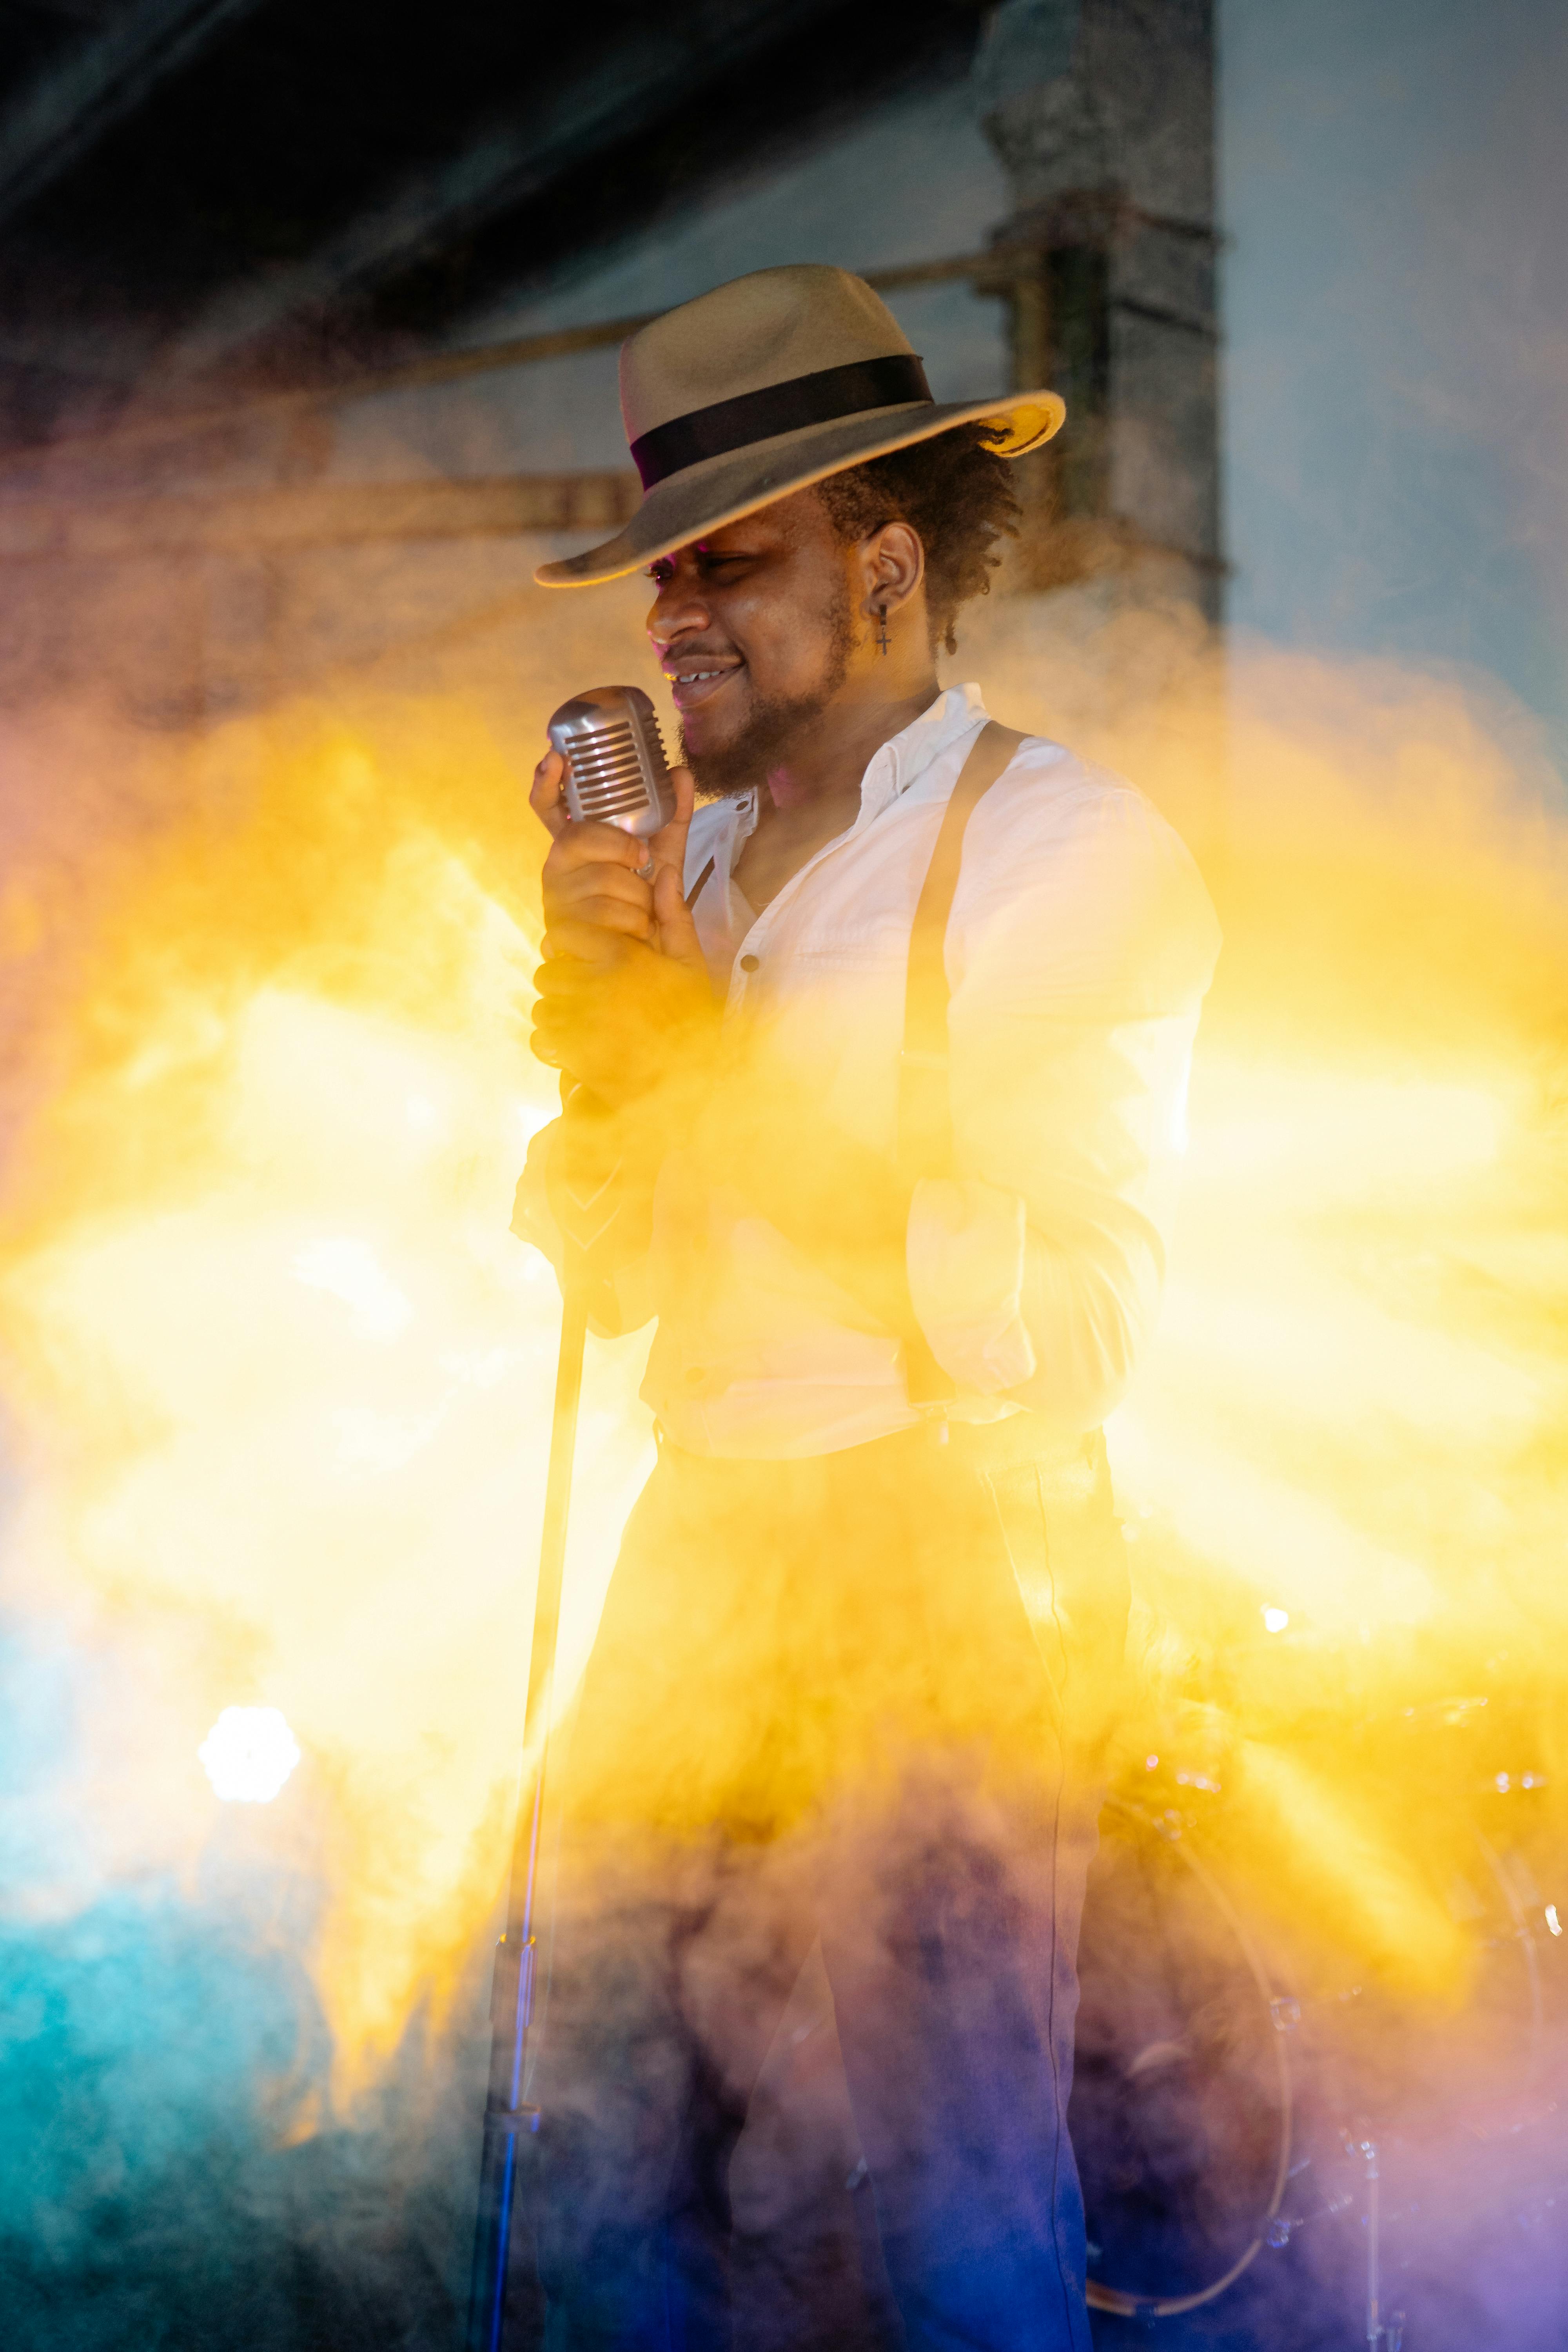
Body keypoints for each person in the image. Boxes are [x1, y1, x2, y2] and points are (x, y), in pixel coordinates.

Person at [513, 263, 1220, 2350]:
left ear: (890, 567)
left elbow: (1065, 1330)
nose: (672, 622)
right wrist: (602, 1062)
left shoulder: (1065, 852)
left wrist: (702, 1064)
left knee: (947, 2191)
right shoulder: (705, 871)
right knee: (604, 2137)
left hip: (939, 1568)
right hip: (699, 1536)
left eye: (731, 565)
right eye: (659, 585)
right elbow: (615, 1269)